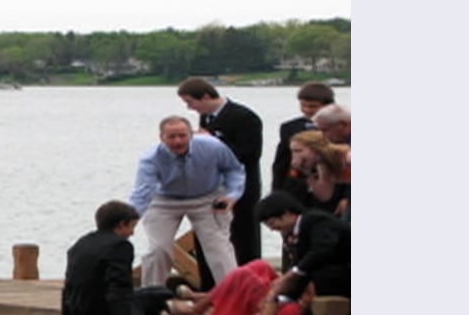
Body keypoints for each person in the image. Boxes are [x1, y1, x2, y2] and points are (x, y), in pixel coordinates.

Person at [129, 115, 245, 289]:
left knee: (219, 249)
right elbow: (143, 191)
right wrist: (130, 219)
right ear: (162, 137)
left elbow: (234, 170)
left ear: (191, 135)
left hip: (208, 197)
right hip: (164, 200)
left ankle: (234, 296)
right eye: (171, 137)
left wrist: (233, 195)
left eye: (182, 136)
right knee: (157, 250)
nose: (177, 141)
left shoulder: (213, 147)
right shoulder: (151, 158)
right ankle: (152, 297)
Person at [177, 77, 265, 286]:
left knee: (242, 239)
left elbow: (250, 154)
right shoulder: (206, 118)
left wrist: (215, 141)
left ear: (206, 97)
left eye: (192, 102)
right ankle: (211, 288)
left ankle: (248, 286)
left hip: (240, 190)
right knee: (208, 239)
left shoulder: (245, 117)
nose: (190, 108)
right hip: (210, 189)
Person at [255, 191, 351, 315]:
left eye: (272, 223)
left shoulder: (316, 220)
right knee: (315, 277)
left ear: (287, 214)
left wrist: (290, 275)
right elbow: (304, 273)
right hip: (334, 276)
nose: (272, 229)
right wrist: (278, 298)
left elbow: (322, 251)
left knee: (323, 277)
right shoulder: (296, 236)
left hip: (342, 274)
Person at [166, 258, 307, 315]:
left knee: (243, 276)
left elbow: (307, 299)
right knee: (260, 266)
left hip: (281, 306)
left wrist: (276, 293)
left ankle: (199, 305)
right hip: (282, 296)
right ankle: (202, 300)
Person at [272, 82, 335, 202]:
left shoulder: (339, 127)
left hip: (331, 188)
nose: (306, 110)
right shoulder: (289, 127)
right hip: (296, 188)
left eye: (312, 106)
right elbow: (281, 163)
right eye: (303, 105)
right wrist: (276, 193)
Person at [289, 130, 351, 218]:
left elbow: (325, 195)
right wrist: (306, 171)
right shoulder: (316, 166)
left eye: (299, 151)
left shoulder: (342, 158)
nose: (295, 156)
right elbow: (323, 195)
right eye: (292, 152)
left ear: (315, 149)